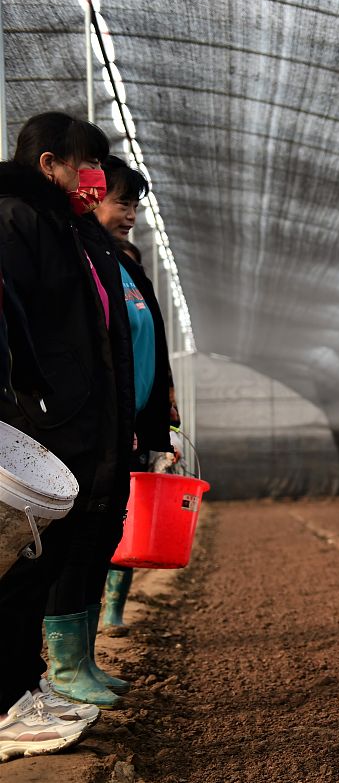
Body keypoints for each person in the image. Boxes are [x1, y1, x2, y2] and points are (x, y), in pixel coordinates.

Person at [0, 111, 132, 759]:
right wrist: (31, 405)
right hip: (33, 425)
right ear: (50, 163)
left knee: (39, 563)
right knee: (20, 567)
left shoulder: (67, 228)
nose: (97, 179)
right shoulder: (15, 218)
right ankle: (7, 704)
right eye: (89, 165)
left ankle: (26, 687)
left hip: (67, 423)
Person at [94, 156, 177, 640]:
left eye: (134, 207)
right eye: (122, 203)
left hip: (136, 414)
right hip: (104, 418)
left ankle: (113, 609)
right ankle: (75, 636)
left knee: (121, 516)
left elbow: (152, 342)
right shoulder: (89, 261)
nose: (131, 215)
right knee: (96, 520)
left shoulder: (130, 266)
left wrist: (164, 395)